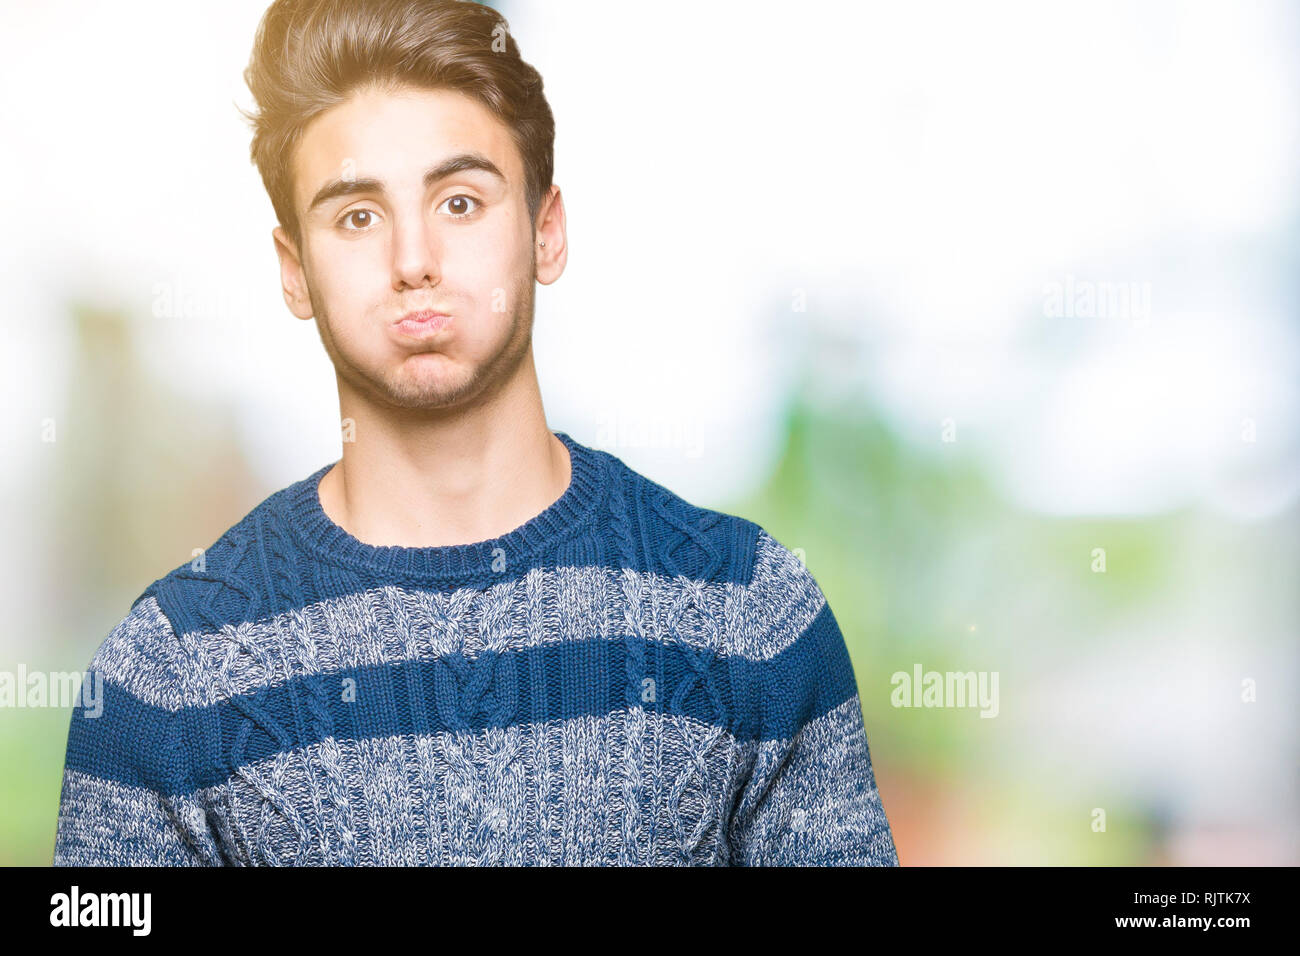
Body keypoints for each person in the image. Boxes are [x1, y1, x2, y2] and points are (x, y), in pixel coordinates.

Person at [52, 0, 899, 866]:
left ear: (546, 230)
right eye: (357, 216)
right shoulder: (170, 675)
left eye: (459, 202)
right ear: (294, 270)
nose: (413, 259)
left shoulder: (748, 614)